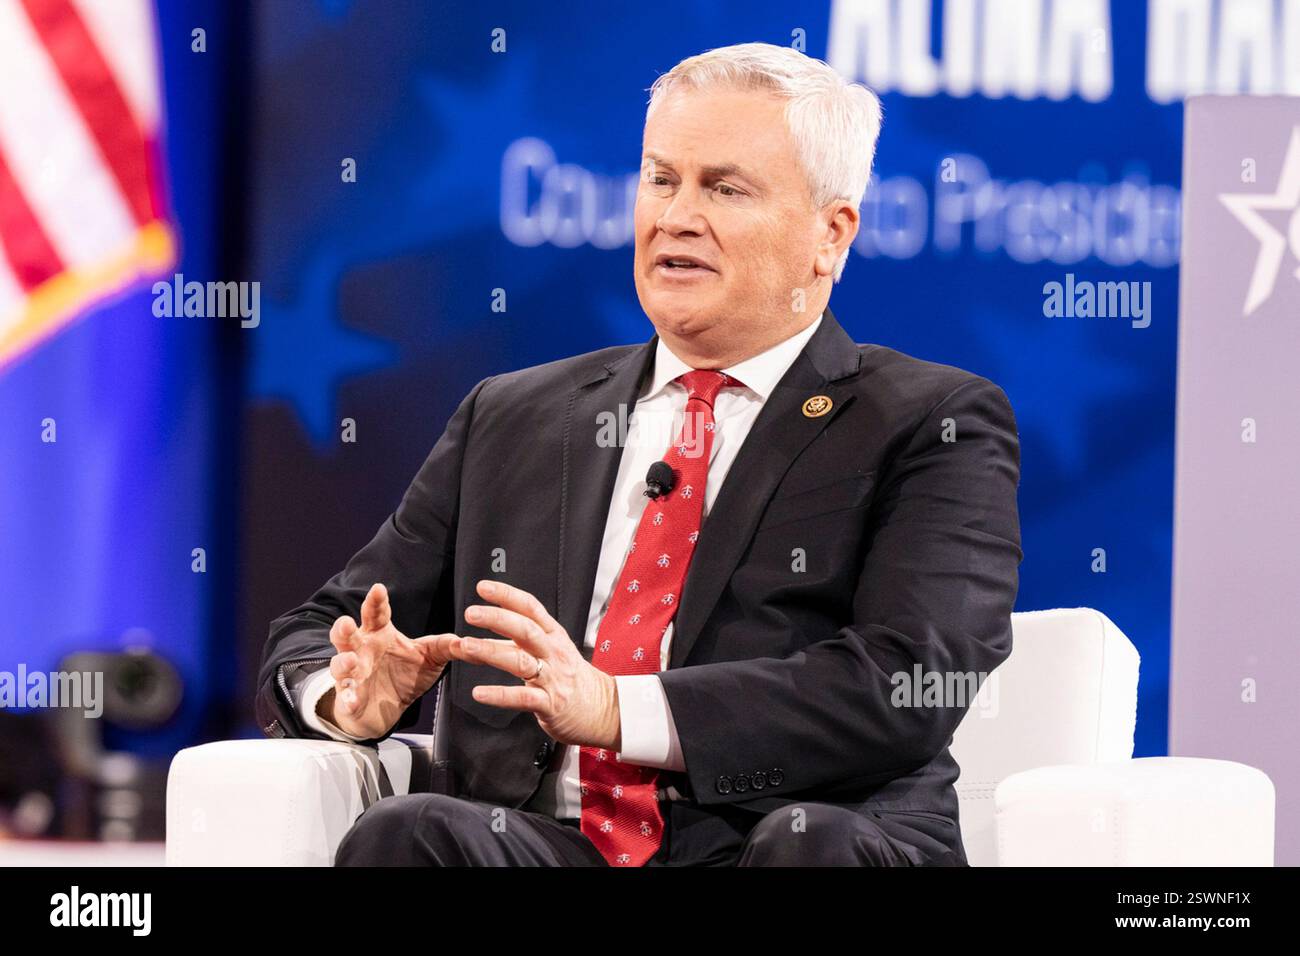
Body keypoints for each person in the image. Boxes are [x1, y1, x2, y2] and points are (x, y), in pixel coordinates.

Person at [254, 42, 1021, 867]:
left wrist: (619, 709)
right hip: (554, 843)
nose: (676, 216)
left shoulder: (929, 422)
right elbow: (316, 630)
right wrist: (350, 696)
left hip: (786, 838)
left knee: (810, 848)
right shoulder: (513, 416)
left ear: (829, 236)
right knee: (405, 835)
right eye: (661, 178)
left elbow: (905, 683)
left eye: (725, 188)